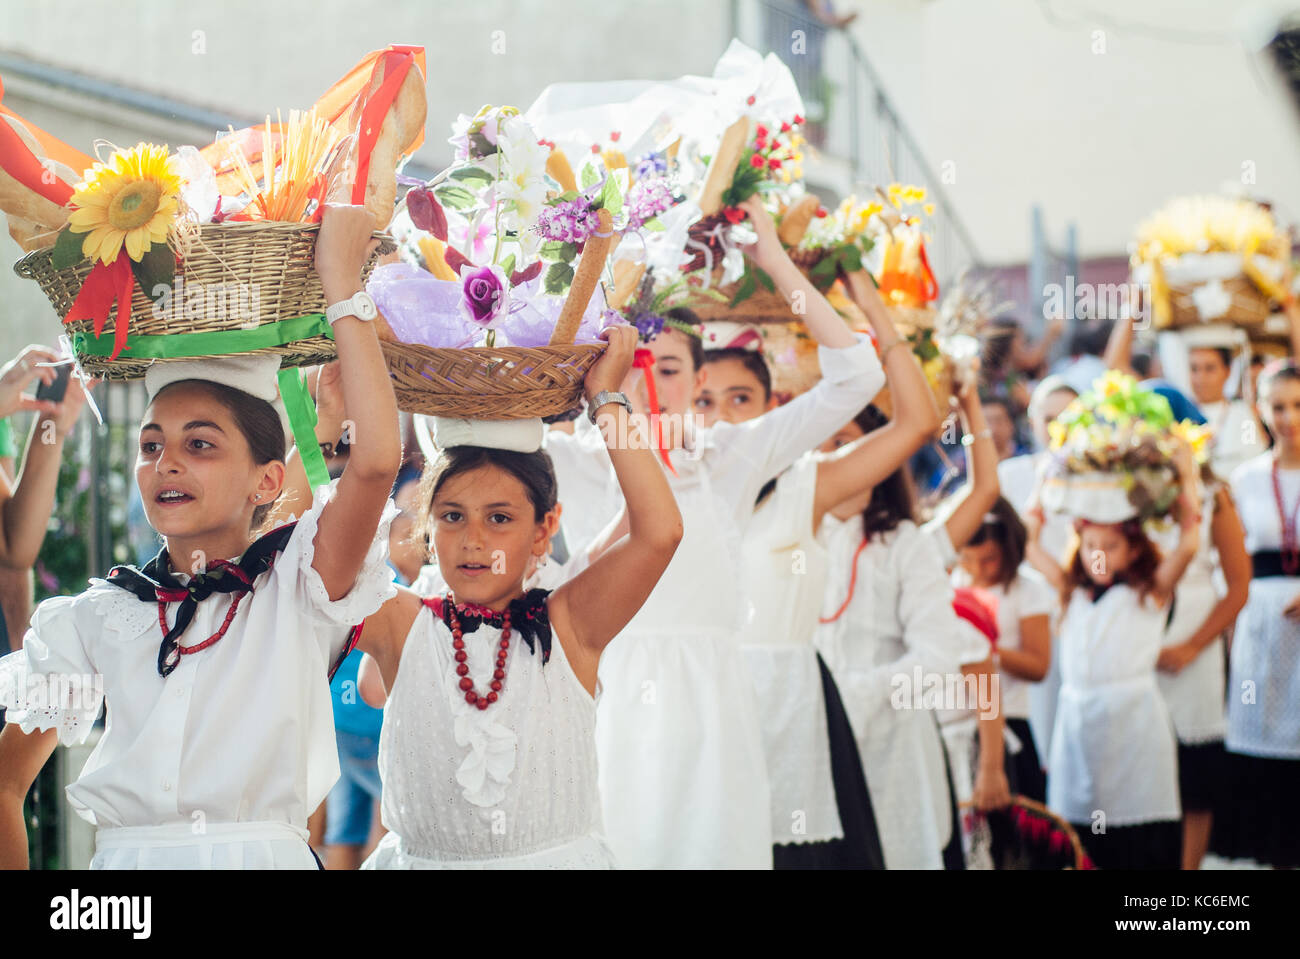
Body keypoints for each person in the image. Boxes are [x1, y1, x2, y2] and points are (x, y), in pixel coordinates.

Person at [0, 204, 402, 869]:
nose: (167, 463)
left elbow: (377, 462)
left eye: (200, 444)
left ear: (267, 480)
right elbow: (7, 780)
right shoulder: (97, 619)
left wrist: (341, 286)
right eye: (151, 444)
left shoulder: (299, 588)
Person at [565, 196, 886, 868]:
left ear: (700, 380)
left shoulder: (730, 457)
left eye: (671, 369)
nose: (650, 386)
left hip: (717, 716)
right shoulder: (575, 466)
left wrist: (772, 259)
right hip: (615, 711)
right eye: (631, 370)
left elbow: (859, 375)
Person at [335, 326, 683, 868]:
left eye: (500, 518)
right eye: (452, 517)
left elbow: (659, 530)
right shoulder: (400, 621)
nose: (473, 539)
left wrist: (607, 399)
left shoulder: (570, 622)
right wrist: (331, 424)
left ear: (544, 531)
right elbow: (317, 556)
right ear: (428, 528)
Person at [698, 267, 937, 868]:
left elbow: (916, 424)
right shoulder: (669, 495)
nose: (722, 418)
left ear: (773, 409)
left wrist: (873, 309)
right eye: (705, 400)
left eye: (740, 400)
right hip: (705, 711)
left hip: (794, 712)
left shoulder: (809, 484)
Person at [816, 400, 996, 869]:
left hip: (894, 748)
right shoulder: (784, 538)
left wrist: (854, 698)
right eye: (817, 441)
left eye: (842, 443)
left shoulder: (904, 543)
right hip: (810, 742)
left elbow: (937, 659)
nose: (827, 457)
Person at [1024, 439, 1201, 869]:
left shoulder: (1150, 592)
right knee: (1081, 836)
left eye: (1110, 546)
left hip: (1134, 725)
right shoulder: (1071, 592)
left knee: (1137, 838)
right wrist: (1045, 477)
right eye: (1089, 546)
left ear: (1135, 548)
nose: (1097, 557)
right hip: (1079, 726)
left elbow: (1190, 542)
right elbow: (1029, 544)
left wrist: (1188, 477)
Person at [1212, 360, 1300, 869]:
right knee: (1260, 749)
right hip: (1262, 624)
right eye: (1278, 406)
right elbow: (1229, 561)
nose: (1288, 418)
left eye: (1297, 405)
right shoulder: (1244, 479)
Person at [952, 498, 1053, 802]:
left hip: (1010, 723)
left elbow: (1038, 667)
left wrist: (984, 651)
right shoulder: (952, 582)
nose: (977, 570)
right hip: (959, 727)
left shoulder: (1027, 589)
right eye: (967, 559)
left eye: (989, 559)